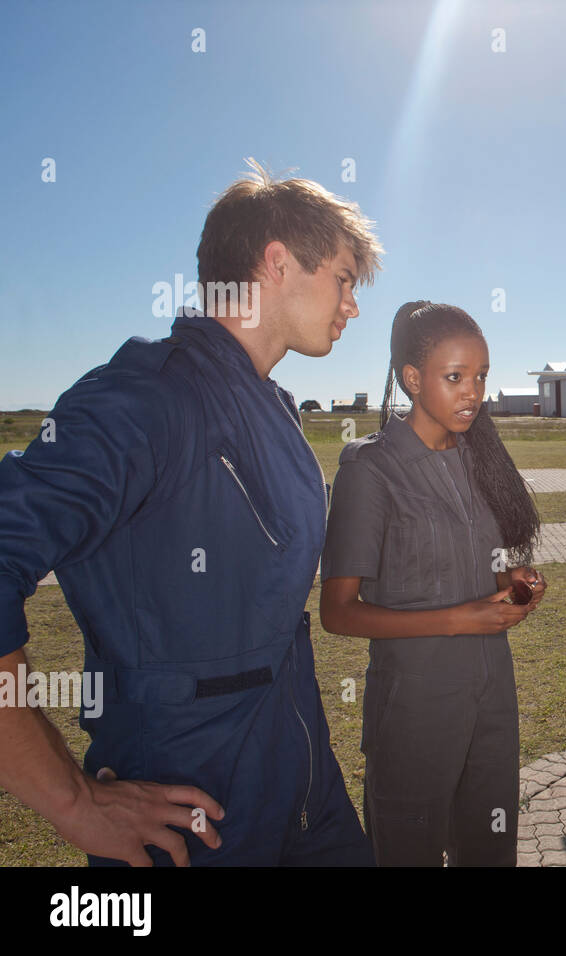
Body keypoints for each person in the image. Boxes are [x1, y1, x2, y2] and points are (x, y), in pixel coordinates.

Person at [0, 161, 384, 865]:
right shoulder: (145, 399)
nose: (352, 305)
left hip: (305, 794)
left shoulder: (272, 406)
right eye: (343, 278)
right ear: (276, 262)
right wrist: (70, 801)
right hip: (191, 825)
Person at [319, 301, 545, 866]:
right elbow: (338, 611)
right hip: (415, 706)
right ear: (412, 379)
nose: (473, 393)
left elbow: (475, 561)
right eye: (455, 378)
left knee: (490, 852)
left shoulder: (476, 459)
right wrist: (458, 619)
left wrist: (510, 580)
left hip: (492, 694)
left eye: (481, 377)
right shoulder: (370, 470)